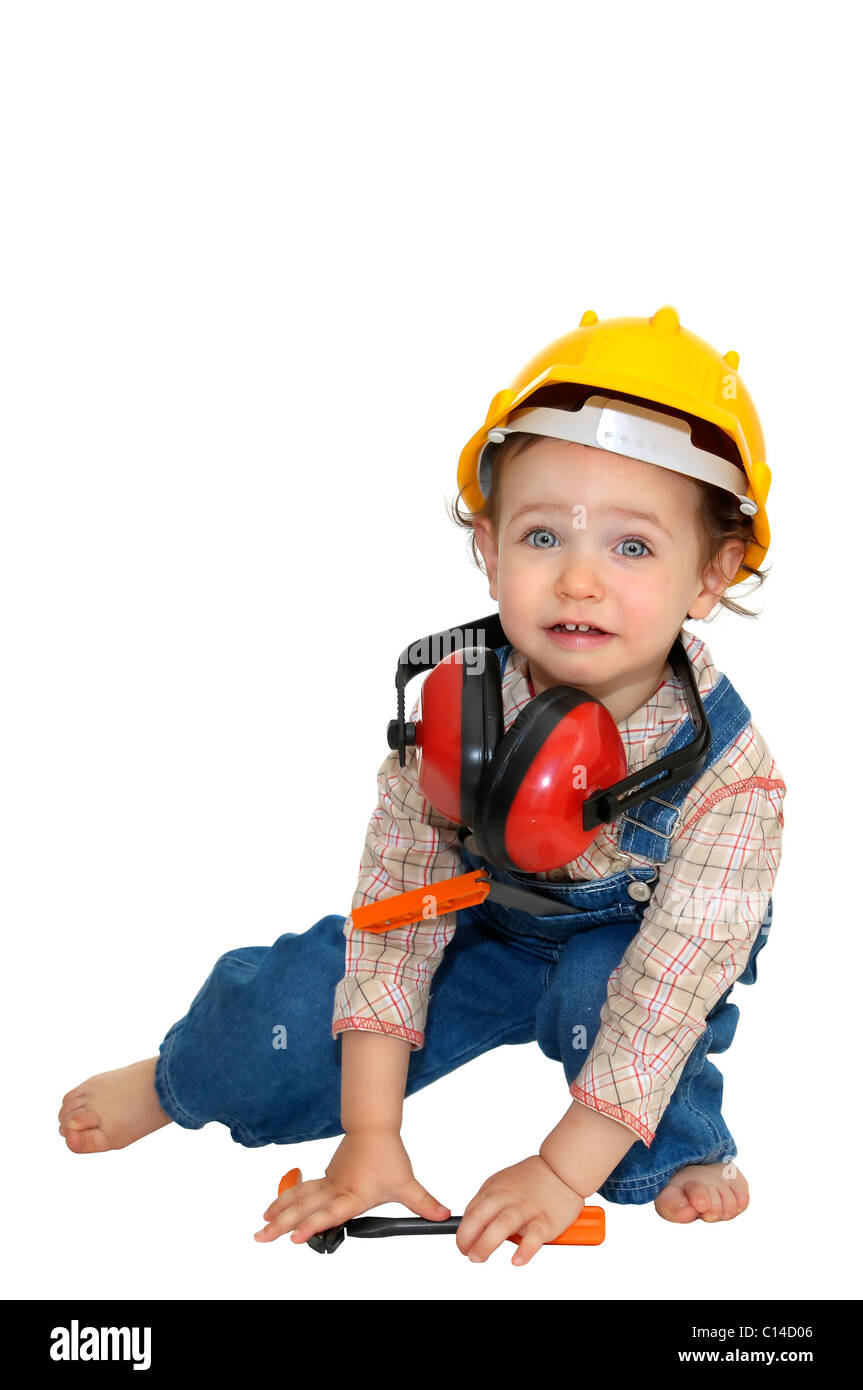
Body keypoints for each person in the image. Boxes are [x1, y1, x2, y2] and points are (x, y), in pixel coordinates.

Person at [58, 306, 787, 1268]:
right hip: (480, 921)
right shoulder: (451, 715)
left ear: (712, 573)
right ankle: (181, 1078)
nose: (576, 579)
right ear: (487, 550)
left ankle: (682, 1143)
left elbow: (668, 990)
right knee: (280, 1012)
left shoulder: (731, 783)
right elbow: (397, 913)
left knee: (613, 999)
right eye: (539, 537)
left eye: (632, 547)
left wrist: (558, 1172)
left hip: (641, 948)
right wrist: (369, 1134)